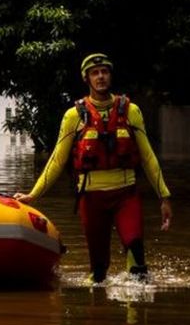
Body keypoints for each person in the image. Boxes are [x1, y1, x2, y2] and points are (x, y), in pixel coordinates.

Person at [14, 53, 173, 283]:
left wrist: (164, 197)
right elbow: (57, 159)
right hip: (91, 199)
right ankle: (97, 312)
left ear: (110, 75)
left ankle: (135, 314)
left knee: (137, 257)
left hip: (126, 195)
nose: (101, 77)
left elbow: (148, 157)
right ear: (86, 79)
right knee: (98, 273)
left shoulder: (131, 111)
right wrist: (33, 194)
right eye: (95, 73)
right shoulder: (73, 116)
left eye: (105, 71)